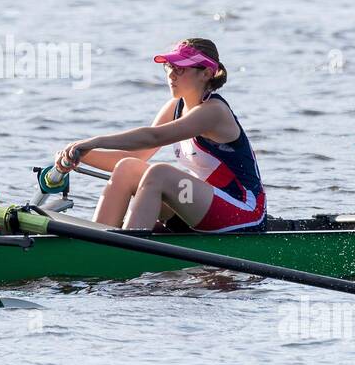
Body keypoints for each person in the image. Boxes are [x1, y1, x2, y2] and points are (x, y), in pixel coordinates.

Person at [54, 39, 267, 232]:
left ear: (207, 73)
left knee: (160, 174)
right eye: (169, 67)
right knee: (128, 167)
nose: (171, 75)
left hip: (242, 213)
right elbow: (137, 155)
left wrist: (95, 141)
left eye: (181, 68)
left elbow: (154, 137)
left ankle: (124, 249)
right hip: (202, 206)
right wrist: (78, 155)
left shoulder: (214, 111)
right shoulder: (175, 107)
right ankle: (99, 237)